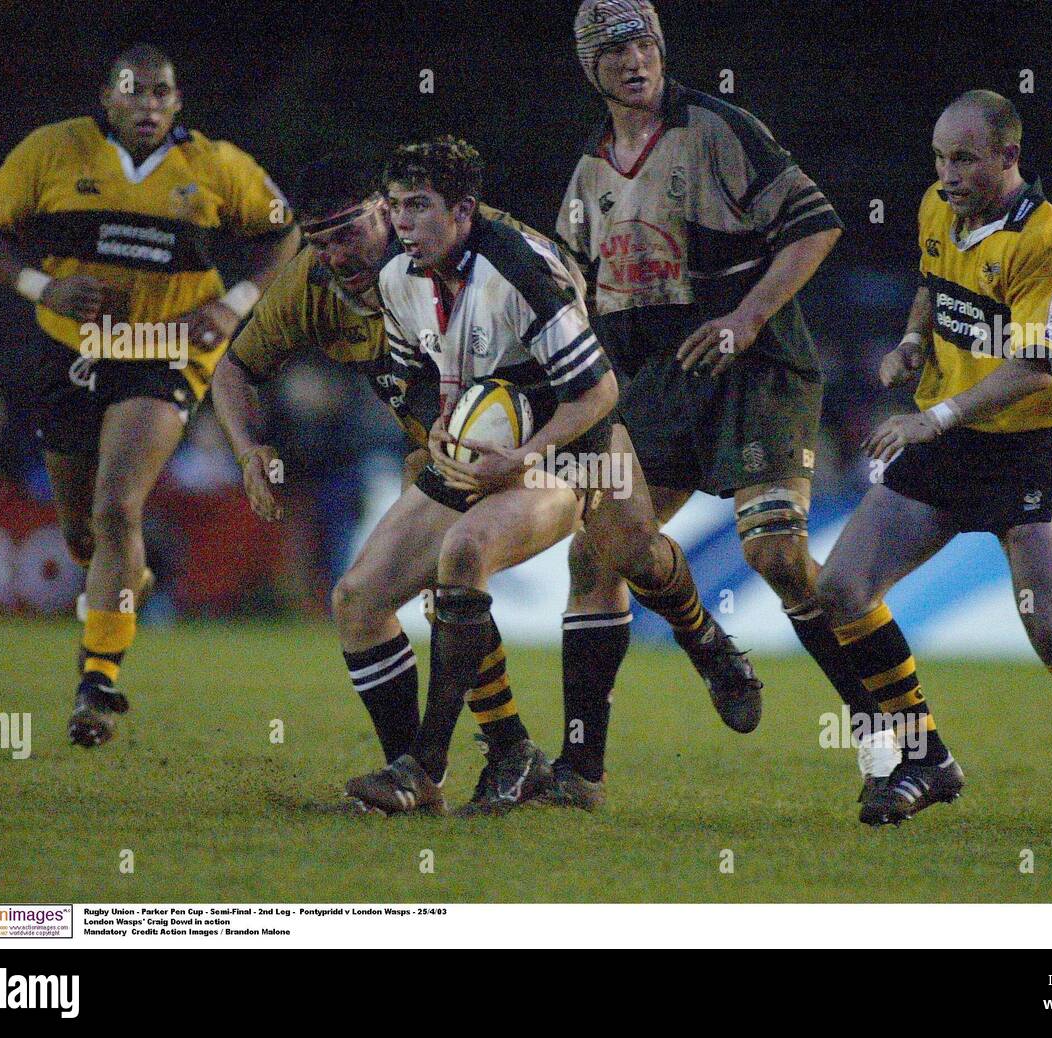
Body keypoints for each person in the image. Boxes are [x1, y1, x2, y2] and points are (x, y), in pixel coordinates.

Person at [218, 153, 760, 812]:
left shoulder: (500, 256)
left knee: (631, 556)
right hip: (460, 441)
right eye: (319, 240)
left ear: (394, 212)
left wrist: (525, 449)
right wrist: (251, 450)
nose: (335, 254)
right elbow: (246, 368)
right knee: (369, 595)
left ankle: (701, 637)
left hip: (567, 434)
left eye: (349, 231)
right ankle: (442, 768)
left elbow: (591, 383)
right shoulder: (366, 281)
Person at [817, 90, 1052, 840]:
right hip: (946, 440)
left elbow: (1036, 369)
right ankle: (929, 760)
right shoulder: (936, 208)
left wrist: (935, 415)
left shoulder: (1048, 242)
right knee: (843, 588)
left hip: (1021, 446)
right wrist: (915, 344)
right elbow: (931, 286)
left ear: (1008, 157)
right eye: (938, 159)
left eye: (962, 159)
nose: (946, 174)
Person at [556, 1, 894, 799]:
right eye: (614, 50)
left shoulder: (717, 126)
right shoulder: (589, 168)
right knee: (597, 550)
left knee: (774, 553)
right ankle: (589, 763)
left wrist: (747, 316)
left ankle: (884, 735)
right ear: (589, 68)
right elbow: (570, 290)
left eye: (645, 42)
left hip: (756, 362)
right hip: (662, 380)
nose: (635, 59)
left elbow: (816, 225)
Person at [0, 43, 299, 748]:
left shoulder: (216, 166)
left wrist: (234, 304)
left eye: (161, 93)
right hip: (74, 349)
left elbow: (283, 232)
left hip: (167, 351)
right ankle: (129, 581)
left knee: (119, 505)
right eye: (133, 91)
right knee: (86, 533)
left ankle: (97, 682)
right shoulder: (52, 152)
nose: (147, 105)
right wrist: (44, 286)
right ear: (106, 98)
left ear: (177, 102)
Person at [344, 136, 618, 815]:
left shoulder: (519, 270)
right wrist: (433, 424)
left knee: (464, 553)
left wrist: (525, 457)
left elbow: (598, 391)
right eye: (395, 207)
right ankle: (507, 754)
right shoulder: (396, 280)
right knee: (356, 600)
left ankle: (422, 768)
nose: (403, 223)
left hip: (567, 453)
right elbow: (411, 379)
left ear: (463, 211)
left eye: (420, 206)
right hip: (478, 452)